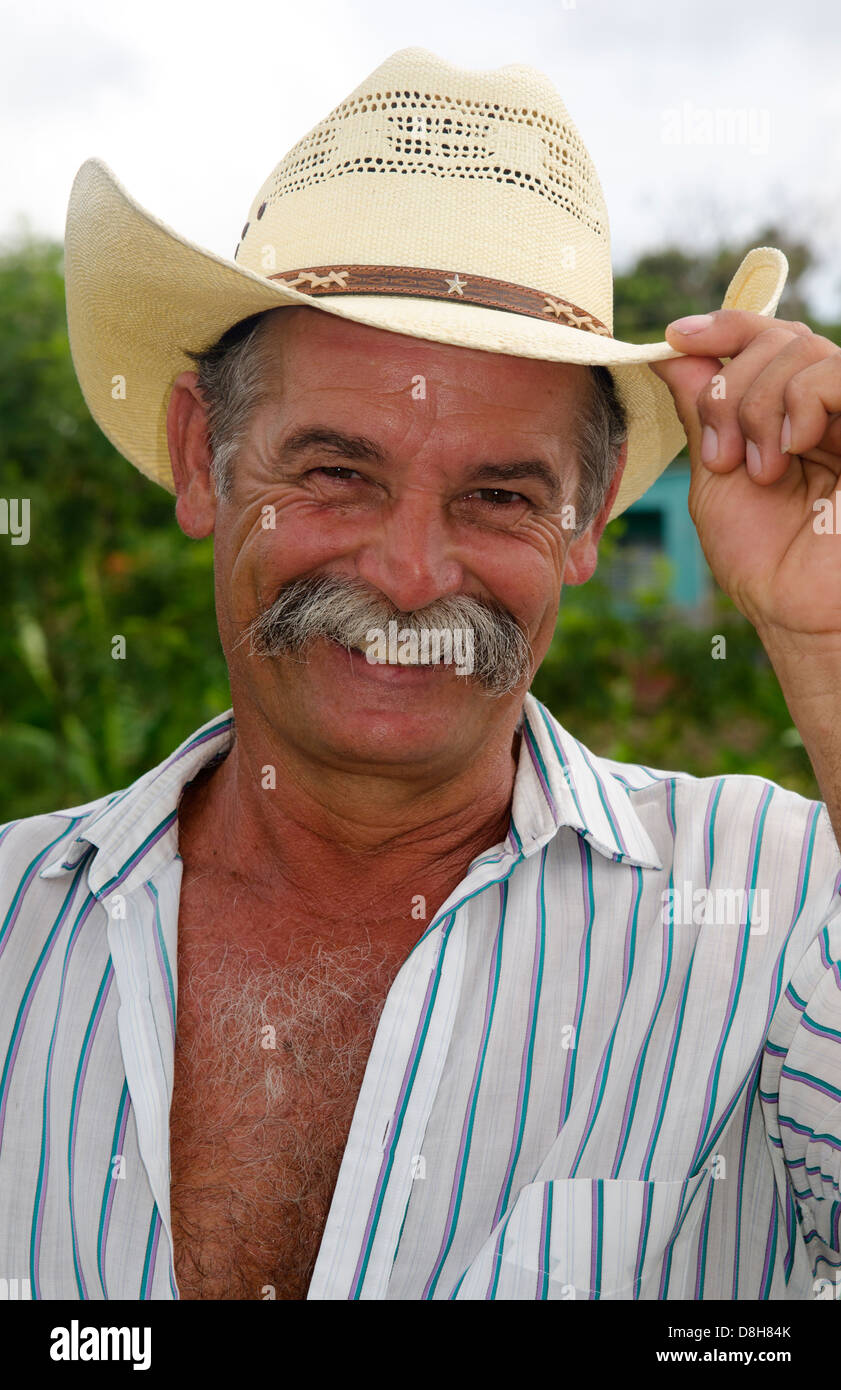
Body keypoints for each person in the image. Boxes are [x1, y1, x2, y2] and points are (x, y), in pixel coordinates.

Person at [2, 46, 840, 1302]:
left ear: (590, 514)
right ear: (198, 453)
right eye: (336, 472)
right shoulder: (15, 929)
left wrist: (828, 640)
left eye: (499, 495)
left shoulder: (780, 912)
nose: (408, 576)